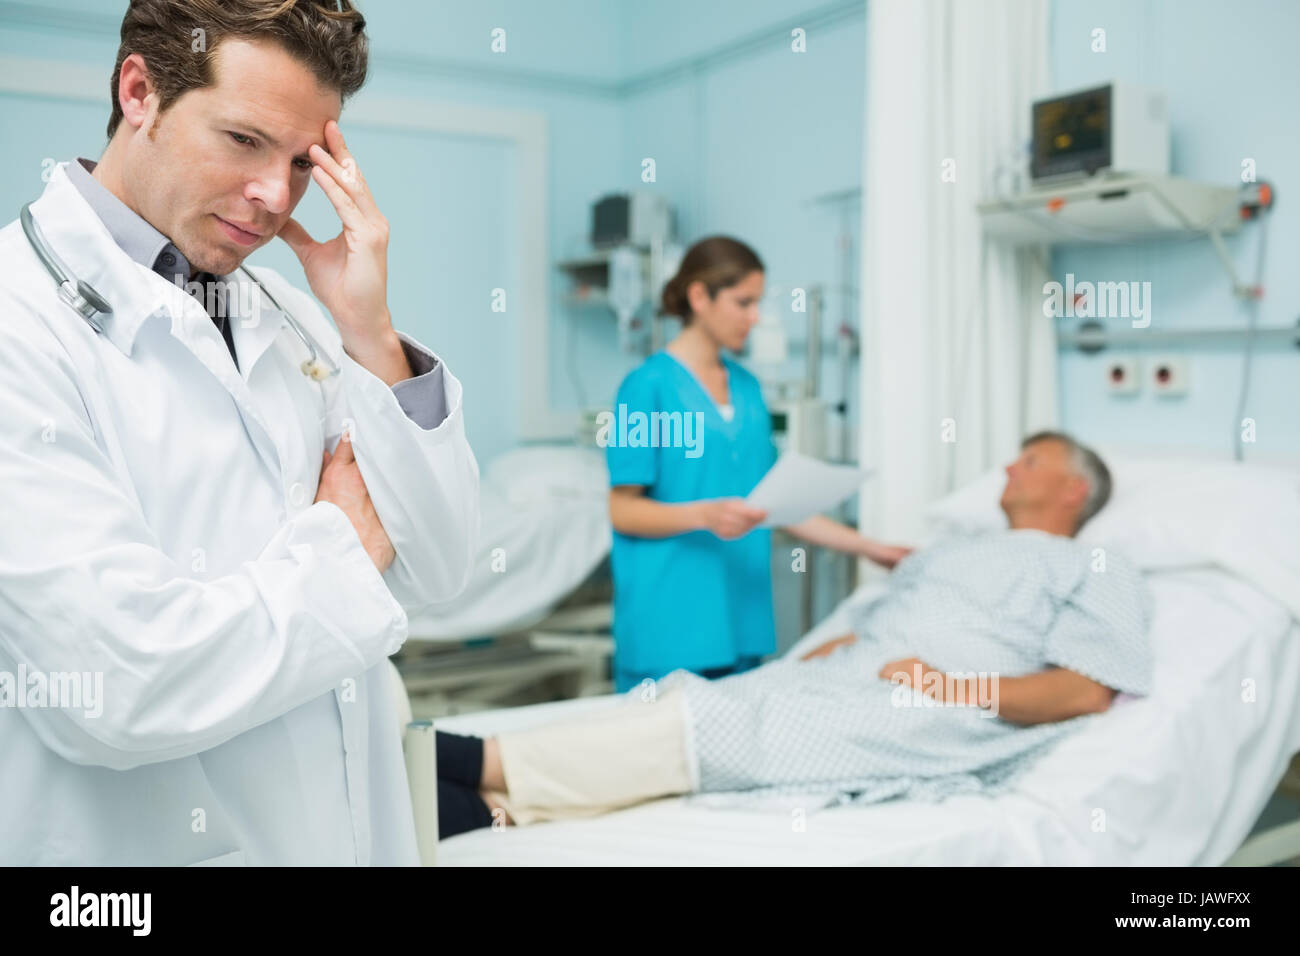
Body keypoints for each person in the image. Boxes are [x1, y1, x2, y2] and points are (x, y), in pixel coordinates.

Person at [0, 0, 479, 865]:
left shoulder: (292, 318)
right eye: (245, 141)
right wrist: (340, 547)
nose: (274, 196)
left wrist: (371, 336)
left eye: (302, 162)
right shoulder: (19, 324)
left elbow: (440, 567)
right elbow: (120, 686)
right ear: (139, 90)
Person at [433, 432, 1152, 838]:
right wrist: (848, 646)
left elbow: (1086, 688)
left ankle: (464, 760)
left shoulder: (1091, 563)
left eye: (1030, 460)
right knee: (709, 702)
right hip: (861, 673)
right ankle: (477, 807)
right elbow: (883, 619)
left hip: (939, 705)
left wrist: (950, 685)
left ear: (1074, 490)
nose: (1007, 466)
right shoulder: (950, 550)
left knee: (726, 720)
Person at [605, 235, 907, 692]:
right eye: (743, 302)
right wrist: (701, 515)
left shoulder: (748, 389)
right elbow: (622, 510)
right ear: (699, 296)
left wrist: (871, 548)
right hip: (669, 621)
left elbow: (774, 502)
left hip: (741, 619)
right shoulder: (646, 388)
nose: (755, 317)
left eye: (757, 303)